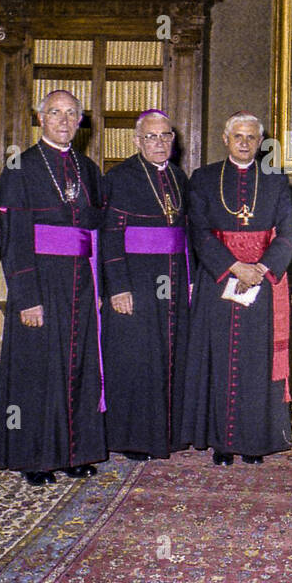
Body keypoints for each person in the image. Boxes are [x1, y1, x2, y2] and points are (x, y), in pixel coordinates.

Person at [0, 89, 106, 484]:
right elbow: (14, 236)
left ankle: (75, 451)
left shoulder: (88, 168)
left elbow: (97, 230)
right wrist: (26, 297)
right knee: (37, 371)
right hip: (39, 280)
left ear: (79, 122)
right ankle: (33, 458)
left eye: (71, 114)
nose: (63, 120)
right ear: (40, 119)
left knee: (77, 366)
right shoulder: (21, 166)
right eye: (55, 112)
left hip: (79, 281)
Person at [181, 112, 292, 465]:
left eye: (251, 137)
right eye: (238, 136)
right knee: (219, 360)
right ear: (225, 138)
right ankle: (222, 443)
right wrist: (234, 267)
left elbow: (288, 233)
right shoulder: (203, 178)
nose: (244, 143)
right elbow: (198, 231)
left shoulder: (277, 181)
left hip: (262, 283)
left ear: (260, 141)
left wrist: (260, 269)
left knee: (255, 361)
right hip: (218, 282)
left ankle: (254, 442)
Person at [100, 109, 193, 461]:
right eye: (151, 137)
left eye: (166, 136)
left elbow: (186, 235)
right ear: (137, 141)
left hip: (172, 278)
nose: (159, 143)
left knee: (170, 355)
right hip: (136, 281)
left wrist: (191, 281)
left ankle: (168, 434)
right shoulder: (120, 177)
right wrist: (118, 287)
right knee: (136, 359)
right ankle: (134, 438)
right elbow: (109, 235)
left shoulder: (179, 177)